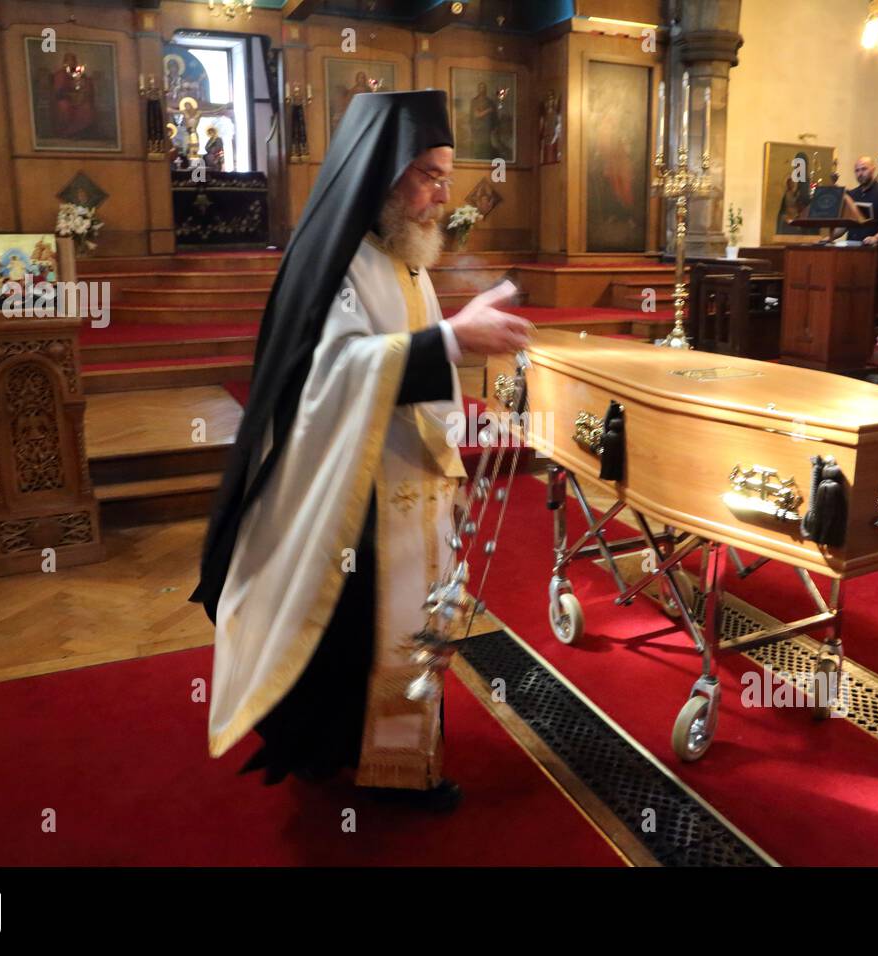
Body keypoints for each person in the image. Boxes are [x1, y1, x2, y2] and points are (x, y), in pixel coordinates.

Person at [191, 90, 533, 808]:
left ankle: (384, 756)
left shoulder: (403, 252)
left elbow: (399, 360)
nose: (443, 195)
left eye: (447, 176)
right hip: (349, 490)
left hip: (402, 478)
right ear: (382, 174)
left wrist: (452, 354)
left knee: (397, 620)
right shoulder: (338, 258)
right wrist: (449, 341)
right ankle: (358, 761)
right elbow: (323, 374)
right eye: (429, 176)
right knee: (355, 622)